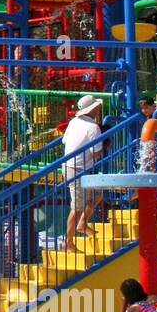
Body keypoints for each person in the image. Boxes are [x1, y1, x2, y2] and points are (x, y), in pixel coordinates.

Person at [61, 95, 103, 251]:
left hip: (73, 166)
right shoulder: (93, 128)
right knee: (77, 207)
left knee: (97, 194)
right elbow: (97, 152)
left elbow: (65, 141)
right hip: (78, 169)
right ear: (93, 109)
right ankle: (68, 242)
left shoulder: (73, 122)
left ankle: (82, 223)